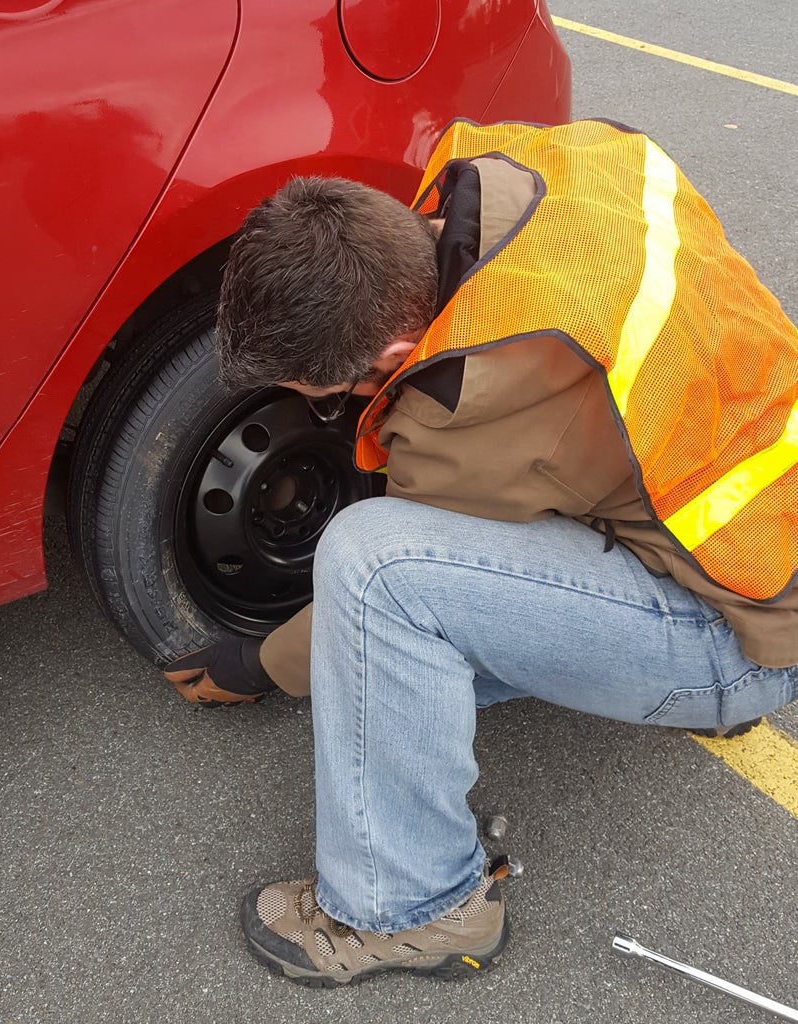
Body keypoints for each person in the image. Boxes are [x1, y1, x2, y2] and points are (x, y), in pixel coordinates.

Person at [163, 118, 798, 986]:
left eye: (335, 393)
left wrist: (260, 663)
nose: (339, 407)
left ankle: (414, 907)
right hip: (756, 521)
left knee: (373, 565)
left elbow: (392, 583)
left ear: (388, 354)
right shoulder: (540, 164)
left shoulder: (489, 388)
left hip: (739, 637)